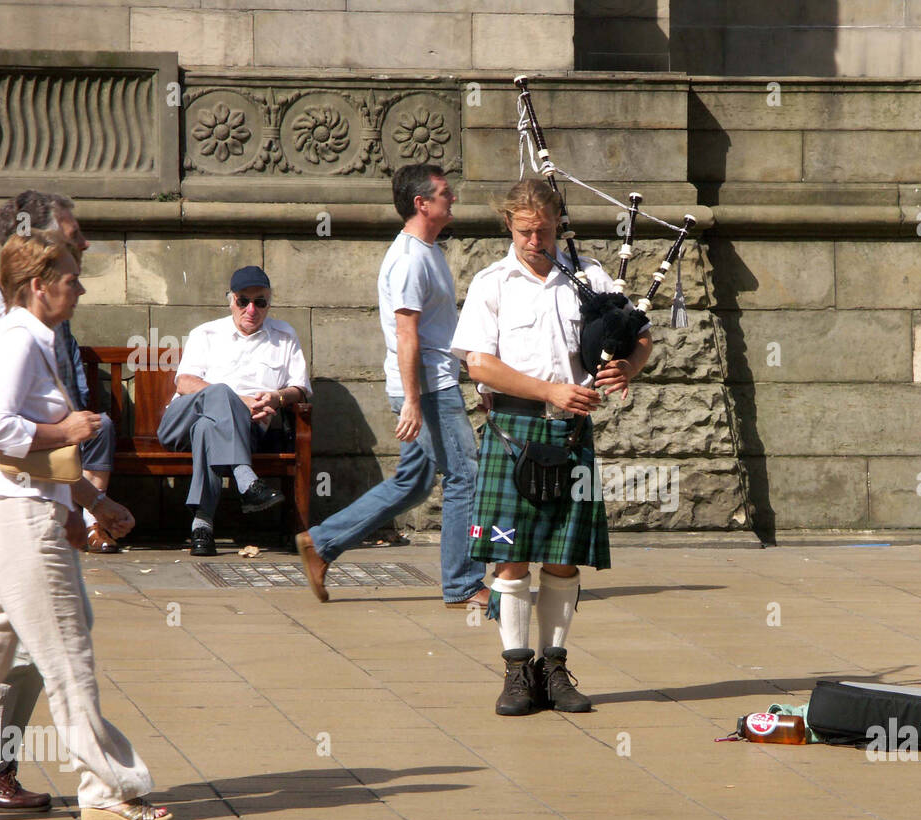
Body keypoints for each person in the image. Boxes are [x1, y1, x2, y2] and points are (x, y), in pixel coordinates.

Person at [0, 230, 170, 820]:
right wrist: (69, 432)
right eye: (69, 279)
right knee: (65, 650)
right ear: (38, 286)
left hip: (5, 509)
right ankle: (107, 790)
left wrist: (92, 501)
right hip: (20, 516)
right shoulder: (18, 338)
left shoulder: (31, 336)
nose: (79, 288)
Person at [452, 178, 652, 716]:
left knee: (563, 559)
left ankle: (554, 667)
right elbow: (478, 363)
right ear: (508, 226)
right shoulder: (492, 283)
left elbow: (640, 334)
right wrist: (549, 389)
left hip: (571, 433)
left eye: (543, 229)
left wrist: (624, 369)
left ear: (558, 223)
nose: (535, 240)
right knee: (511, 558)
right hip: (512, 432)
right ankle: (517, 672)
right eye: (524, 231)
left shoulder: (589, 278)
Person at [296, 164, 487, 609]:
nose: (452, 198)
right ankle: (462, 583)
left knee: (413, 483)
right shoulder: (408, 260)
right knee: (465, 475)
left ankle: (320, 543)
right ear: (422, 203)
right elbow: (407, 336)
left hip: (431, 385)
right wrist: (413, 404)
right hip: (429, 389)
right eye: (445, 193)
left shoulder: (429, 250)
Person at [0, 190, 120, 552]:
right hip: (13, 511)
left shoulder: (46, 322)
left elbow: (50, 433)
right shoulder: (11, 324)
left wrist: (89, 504)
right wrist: (65, 432)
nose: (85, 244)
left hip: (33, 504)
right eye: (73, 238)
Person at [158, 266, 311, 556]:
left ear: (269, 303)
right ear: (231, 300)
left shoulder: (284, 335)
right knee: (219, 392)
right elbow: (186, 381)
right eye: (243, 301)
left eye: (260, 302)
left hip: (244, 431)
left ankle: (201, 527)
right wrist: (238, 399)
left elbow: (301, 389)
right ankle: (245, 478)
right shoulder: (206, 333)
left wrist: (279, 397)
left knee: (206, 428)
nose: (251, 309)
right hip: (178, 425)